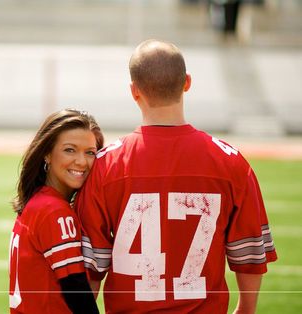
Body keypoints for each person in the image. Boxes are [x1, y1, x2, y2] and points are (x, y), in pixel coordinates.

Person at [76, 39, 277, 314]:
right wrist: (246, 309)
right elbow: (249, 252)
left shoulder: (106, 164)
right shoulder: (230, 161)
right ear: (187, 83)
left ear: (134, 92)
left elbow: (91, 265)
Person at [9, 109, 103, 313]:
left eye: (90, 152)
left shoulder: (38, 201)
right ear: (47, 153)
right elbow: (76, 291)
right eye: (70, 150)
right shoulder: (54, 211)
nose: (81, 161)